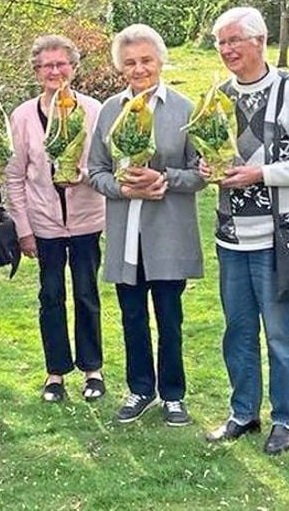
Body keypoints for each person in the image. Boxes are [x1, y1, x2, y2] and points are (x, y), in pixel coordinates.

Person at [203, 7, 289, 455]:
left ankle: (285, 418)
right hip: (231, 236)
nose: (227, 49)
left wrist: (259, 174)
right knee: (237, 330)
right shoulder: (217, 96)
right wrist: (207, 167)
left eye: (235, 40)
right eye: (221, 42)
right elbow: (209, 152)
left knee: (279, 333)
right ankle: (243, 413)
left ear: (259, 41)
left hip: (281, 238)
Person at [87, 24, 206, 427]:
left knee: (169, 317)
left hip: (168, 232)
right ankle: (140, 389)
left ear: (160, 61)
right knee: (132, 316)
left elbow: (201, 173)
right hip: (126, 234)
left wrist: (165, 180)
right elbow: (95, 172)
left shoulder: (185, 109)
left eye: (146, 60)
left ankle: (173, 394)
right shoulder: (109, 110)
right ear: (121, 67)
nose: (139, 69)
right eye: (130, 62)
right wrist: (123, 188)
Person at [5, 35, 106, 403]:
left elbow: (107, 166)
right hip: (43, 223)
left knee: (86, 292)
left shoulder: (94, 110)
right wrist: (24, 229)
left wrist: (83, 173)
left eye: (61, 64)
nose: (54, 71)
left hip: (86, 219)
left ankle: (92, 369)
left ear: (74, 68)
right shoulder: (23, 116)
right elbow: (14, 176)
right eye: (47, 65)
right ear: (36, 72)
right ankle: (55, 373)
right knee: (50, 295)